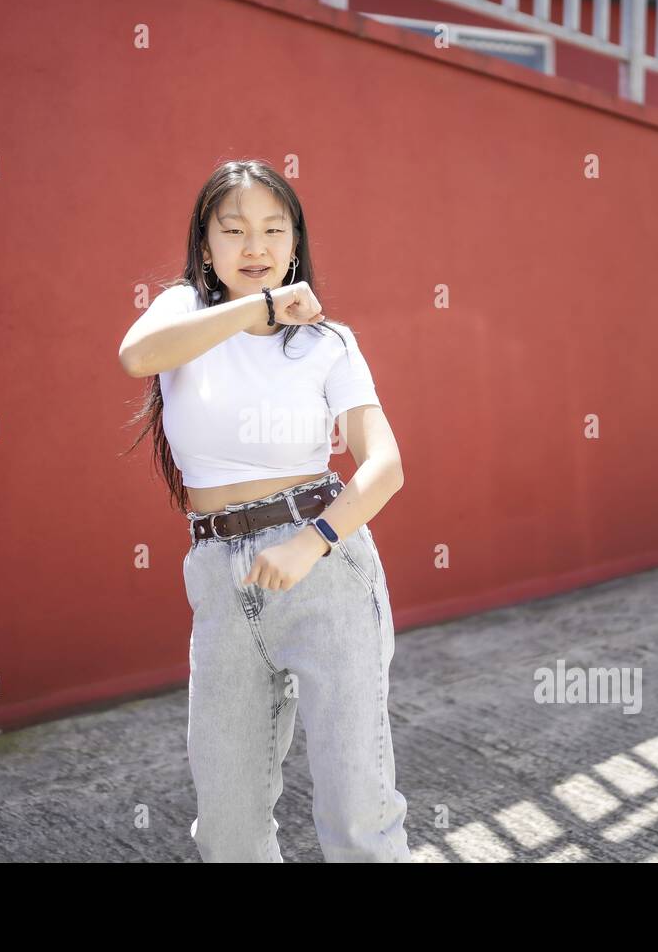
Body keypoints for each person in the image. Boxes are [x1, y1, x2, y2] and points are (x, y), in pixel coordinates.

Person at [119, 159, 409, 862]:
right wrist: (263, 308)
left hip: (323, 566)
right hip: (220, 575)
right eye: (235, 230)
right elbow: (137, 355)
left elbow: (385, 466)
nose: (256, 247)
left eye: (274, 230)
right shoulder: (182, 312)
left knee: (356, 811)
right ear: (206, 244)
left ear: (295, 241)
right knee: (229, 827)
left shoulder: (327, 343)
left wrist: (311, 542)